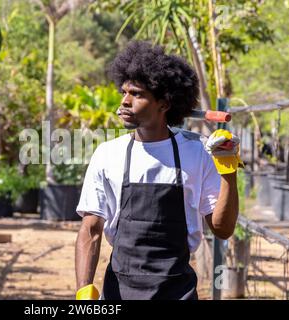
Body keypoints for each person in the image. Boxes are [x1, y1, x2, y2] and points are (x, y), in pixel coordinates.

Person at [74, 41, 242, 300]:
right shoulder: (108, 154)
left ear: (164, 104)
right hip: (120, 290)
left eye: (137, 94)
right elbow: (91, 229)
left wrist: (228, 171)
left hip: (177, 291)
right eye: (124, 92)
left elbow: (222, 229)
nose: (125, 101)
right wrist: (84, 292)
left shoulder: (196, 153)